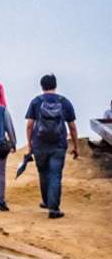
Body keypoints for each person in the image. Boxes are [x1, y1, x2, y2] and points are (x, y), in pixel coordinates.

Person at [25, 74, 79, 219]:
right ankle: (53, 209)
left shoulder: (36, 102)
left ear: (42, 86)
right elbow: (72, 127)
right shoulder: (64, 102)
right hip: (59, 145)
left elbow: (30, 125)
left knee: (43, 173)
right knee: (55, 175)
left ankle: (47, 201)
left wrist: (30, 145)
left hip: (40, 145)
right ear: (55, 85)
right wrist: (76, 146)